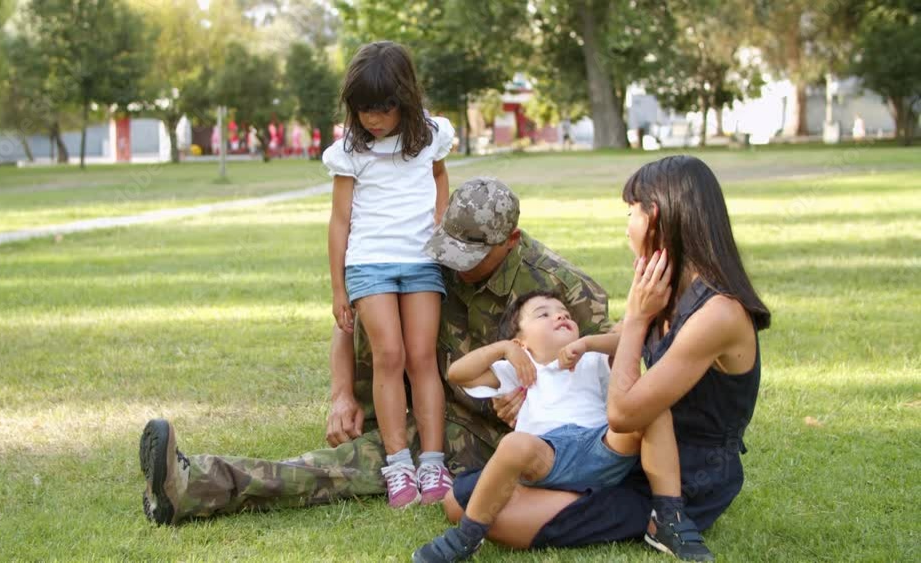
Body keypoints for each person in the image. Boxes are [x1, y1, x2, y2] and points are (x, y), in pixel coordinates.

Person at [138, 177, 612, 525]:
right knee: (380, 309)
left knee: (343, 470)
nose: (456, 266)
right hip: (416, 402)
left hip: (491, 437)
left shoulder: (564, 289)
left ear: (511, 241)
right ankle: (197, 481)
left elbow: (613, 384)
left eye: (472, 257)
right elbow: (354, 316)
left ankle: (193, 484)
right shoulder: (433, 251)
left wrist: (533, 401)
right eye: (450, 248)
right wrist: (341, 394)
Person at [442, 155, 769, 558]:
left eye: (631, 213)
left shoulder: (719, 313)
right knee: (458, 500)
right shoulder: (667, 291)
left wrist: (637, 319)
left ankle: (664, 520)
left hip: (685, 476)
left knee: (493, 516)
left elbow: (625, 413)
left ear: (655, 216)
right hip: (632, 460)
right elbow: (606, 346)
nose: (627, 226)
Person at [414, 290, 711, 562]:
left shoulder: (592, 358)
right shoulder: (521, 369)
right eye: (543, 314)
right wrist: (504, 349)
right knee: (514, 445)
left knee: (652, 410)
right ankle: (468, 536)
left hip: (602, 446)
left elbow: (630, 341)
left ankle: (668, 518)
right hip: (549, 456)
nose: (559, 316)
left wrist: (588, 343)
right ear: (521, 342)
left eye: (564, 312)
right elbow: (458, 373)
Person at [322, 40, 457, 508]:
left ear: (405, 99)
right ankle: (399, 465)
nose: (373, 119)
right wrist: (338, 287)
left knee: (422, 358)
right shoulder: (350, 151)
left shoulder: (431, 135)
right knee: (389, 355)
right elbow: (339, 220)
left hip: (421, 261)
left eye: (383, 108)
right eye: (364, 110)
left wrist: (441, 218)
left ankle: (433, 462)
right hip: (369, 263)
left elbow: (439, 177)